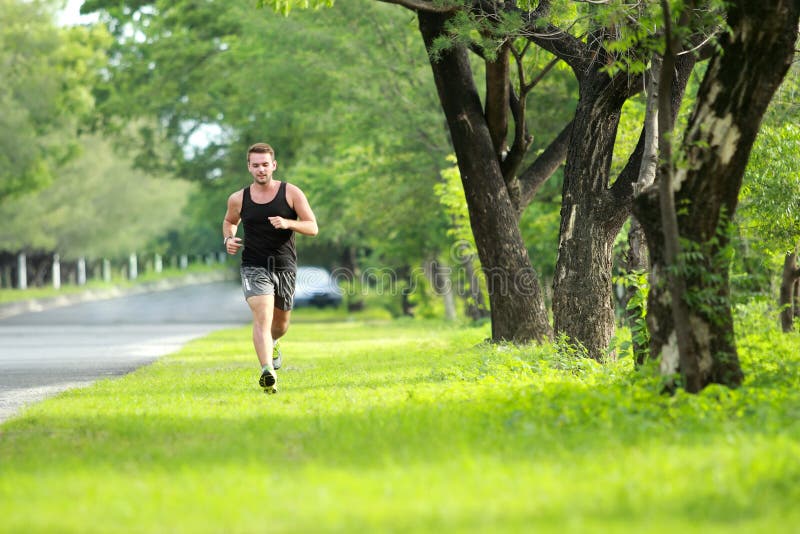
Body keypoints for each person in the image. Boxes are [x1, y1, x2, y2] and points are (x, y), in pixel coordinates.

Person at [222, 143, 318, 393]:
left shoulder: (291, 193)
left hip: (284, 265)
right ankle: (267, 370)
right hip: (254, 266)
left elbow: (312, 227)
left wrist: (288, 223)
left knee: (280, 325)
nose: (261, 169)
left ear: (273, 165)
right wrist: (228, 238)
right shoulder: (238, 198)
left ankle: (274, 343)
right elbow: (230, 221)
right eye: (256, 165)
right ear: (249, 167)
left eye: (265, 164)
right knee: (262, 318)